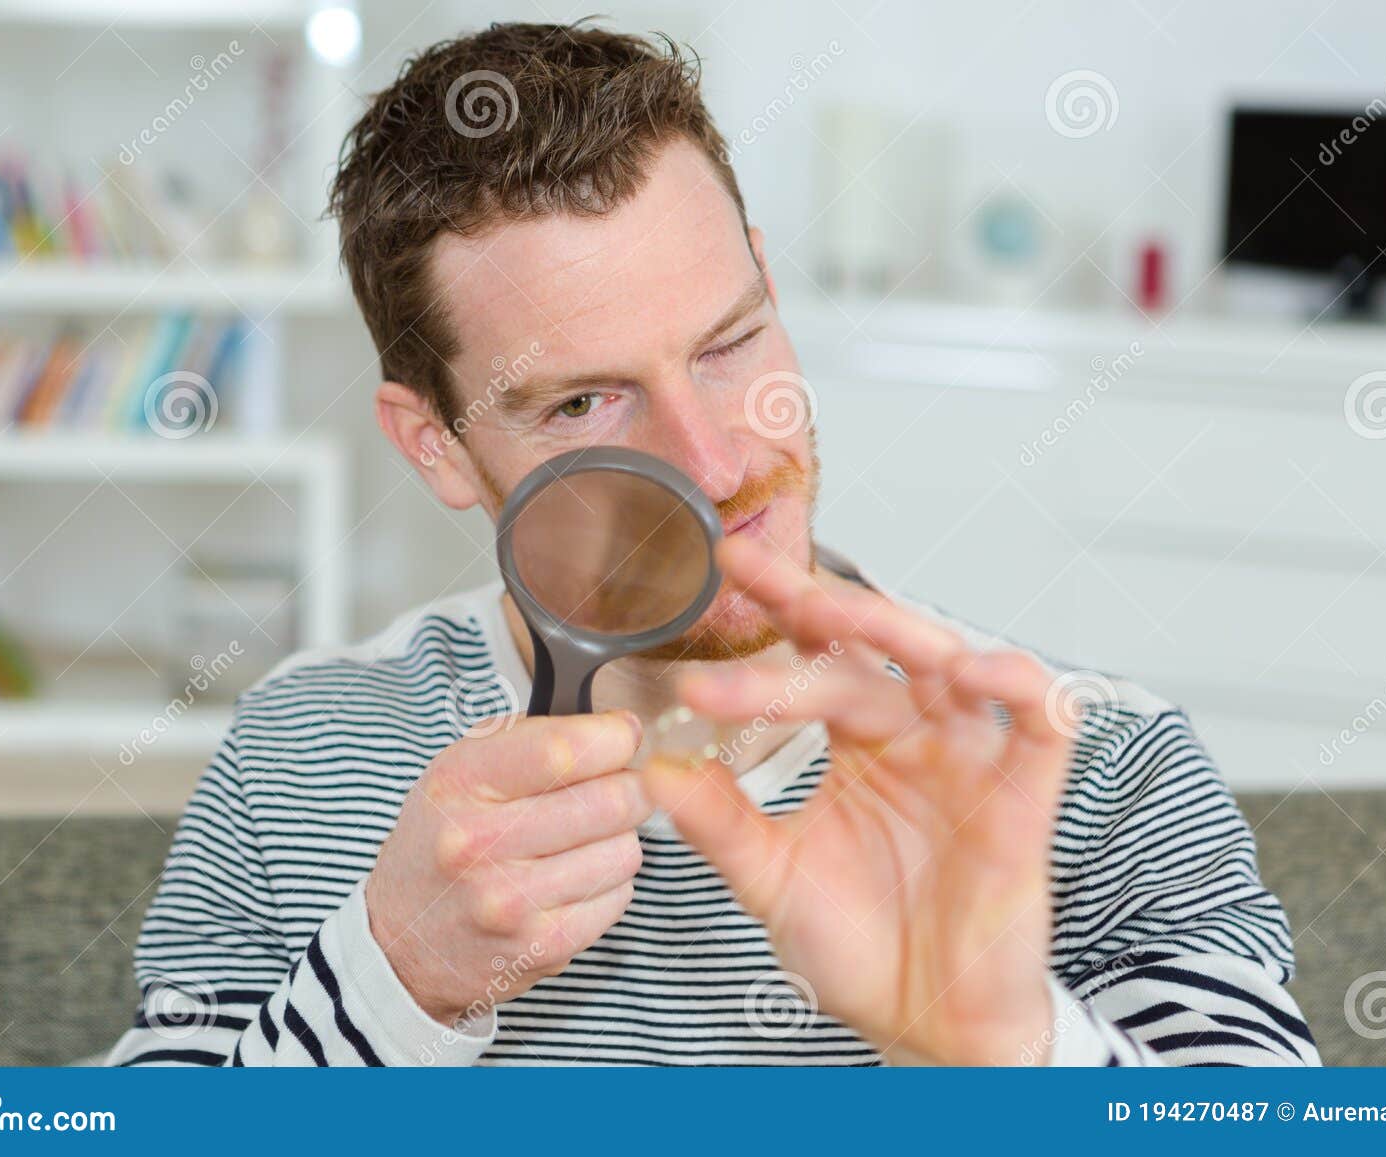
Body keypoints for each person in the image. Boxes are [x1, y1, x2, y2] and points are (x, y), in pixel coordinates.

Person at [105, 21, 1320, 1067]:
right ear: (434, 446)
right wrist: (394, 977)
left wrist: (1005, 1043)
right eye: (583, 402)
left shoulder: (1090, 764)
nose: (715, 464)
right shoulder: (298, 752)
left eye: (728, 343)